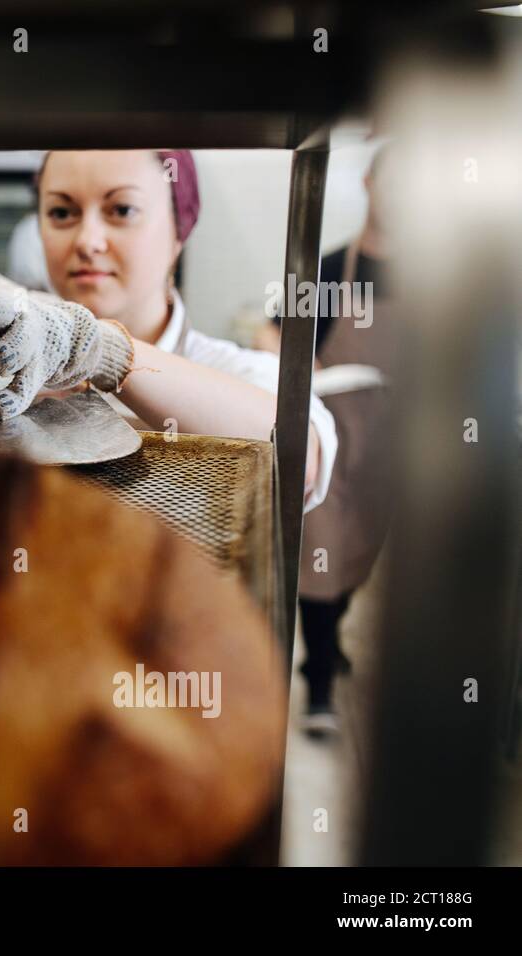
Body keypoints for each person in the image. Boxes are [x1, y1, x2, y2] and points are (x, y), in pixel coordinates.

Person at [0, 149, 338, 513]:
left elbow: (302, 454)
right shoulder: (13, 316)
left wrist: (99, 351)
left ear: (180, 229)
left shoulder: (230, 372)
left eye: (121, 210)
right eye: (62, 211)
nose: (87, 240)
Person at [257, 147, 396, 738]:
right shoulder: (330, 268)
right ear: (368, 182)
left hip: (390, 443)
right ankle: (317, 682)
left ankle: (331, 636)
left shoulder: (437, 279)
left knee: (358, 555)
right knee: (322, 551)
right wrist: (296, 378)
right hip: (332, 434)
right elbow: (270, 331)